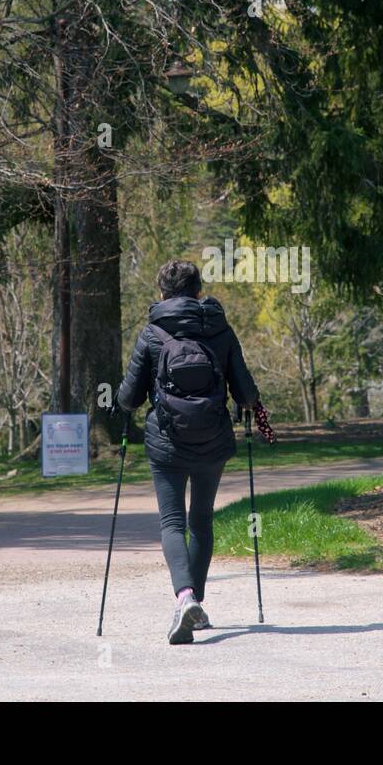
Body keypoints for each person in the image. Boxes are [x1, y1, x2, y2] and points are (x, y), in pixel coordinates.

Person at [116, 259, 260, 644]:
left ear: (161, 293)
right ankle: (195, 607)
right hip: (213, 441)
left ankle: (185, 599)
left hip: (167, 443)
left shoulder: (152, 333)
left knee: (172, 523)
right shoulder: (221, 329)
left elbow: (128, 398)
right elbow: (246, 393)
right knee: (201, 521)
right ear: (199, 291)